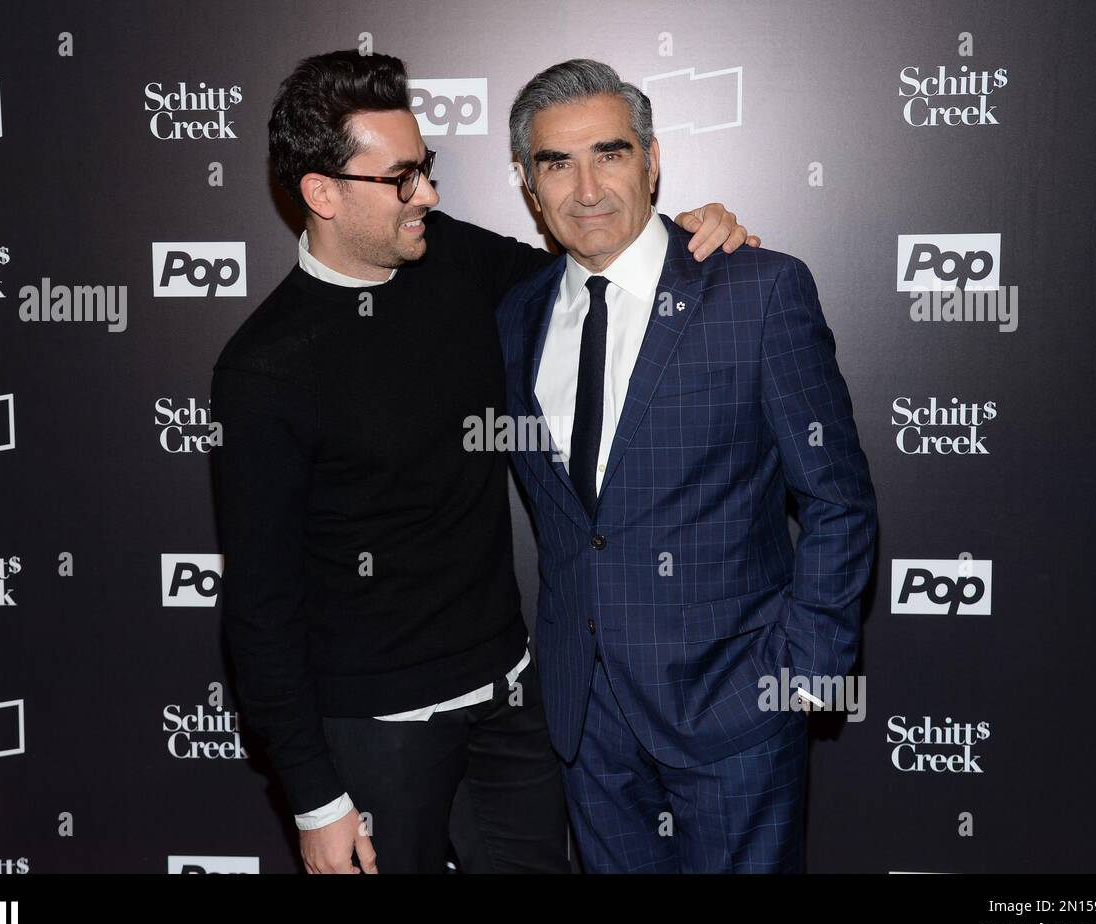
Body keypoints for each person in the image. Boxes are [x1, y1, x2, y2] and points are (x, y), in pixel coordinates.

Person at [210, 48, 756, 874]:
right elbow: (260, 605)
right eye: (400, 179)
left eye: (424, 169)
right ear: (322, 193)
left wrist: (691, 238)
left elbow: (596, 283)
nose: (427, 194)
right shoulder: (264, 370)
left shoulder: (455, 261)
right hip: (376, 738)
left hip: (513, 704)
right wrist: (314, 798)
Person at [497, 59, 877, 873]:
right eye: (556, 163)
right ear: (529, 185)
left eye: (610, 153)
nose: (587, 187)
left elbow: (837, 497)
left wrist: (803, 674)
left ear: (653, 158)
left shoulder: (755, 290)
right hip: (585, 718)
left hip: (736, 706)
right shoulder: (516, 314)